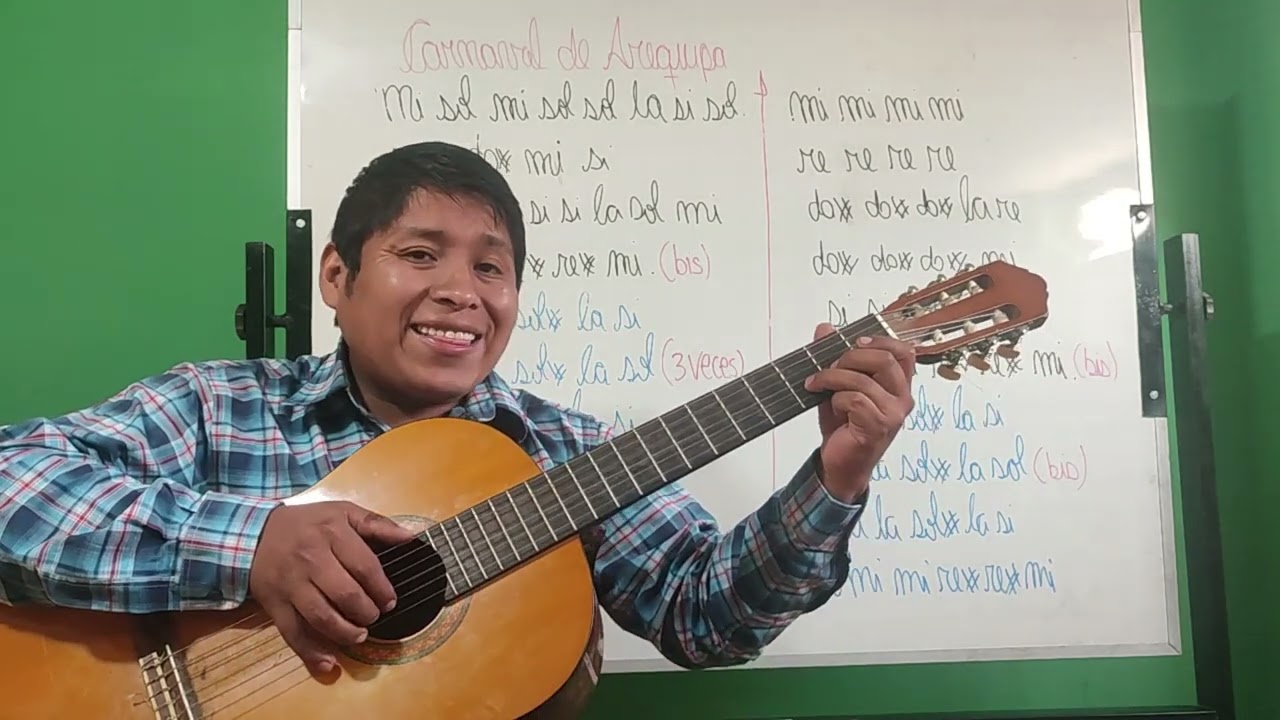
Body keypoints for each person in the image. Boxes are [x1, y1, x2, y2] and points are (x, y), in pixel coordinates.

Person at [0, 141, 915, 675]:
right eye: (421, 253)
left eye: (491, 267)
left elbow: (706, 618)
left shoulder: (570, 452)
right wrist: (254, 548)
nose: (460, 291)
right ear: (337, 276)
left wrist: (835, 478)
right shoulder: (218, 405)